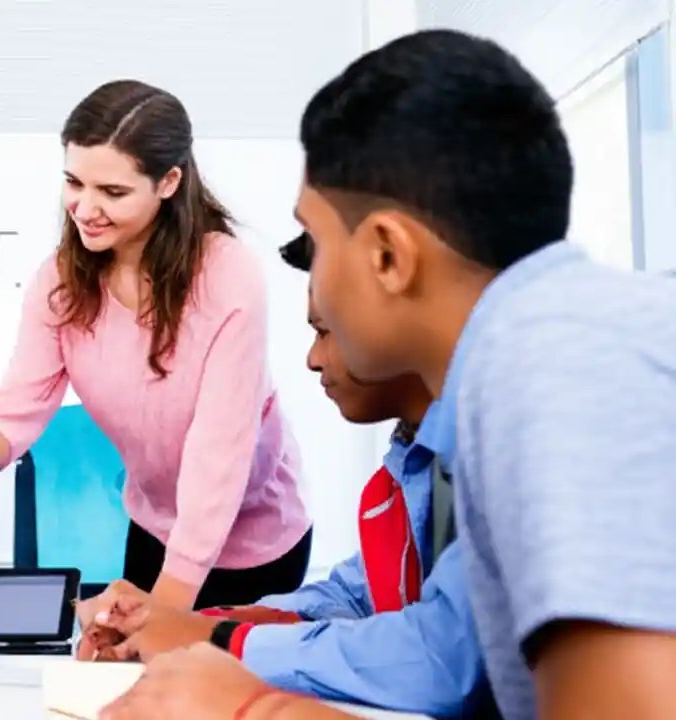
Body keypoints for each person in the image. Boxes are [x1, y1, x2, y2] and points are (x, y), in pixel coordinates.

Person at [106, 28, 676, 720]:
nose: (313, 290)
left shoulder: (557, 369)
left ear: (387, 256)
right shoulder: (528, 364)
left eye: (316, 243)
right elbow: (448, 635)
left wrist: (255, 710)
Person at [0, 79, 311, 610]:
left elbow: (219, 455)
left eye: (113, 193)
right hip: (156, 529)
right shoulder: (60, 282)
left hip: (255, 545)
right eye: (74, 182)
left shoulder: (228, 276)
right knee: (130, 672)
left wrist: (164, 609)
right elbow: (17, 409)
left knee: (205, 681)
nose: (85, 208)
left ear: (168, 182)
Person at [82, 232, 488, 717]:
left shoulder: (487, 456)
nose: (312, 359)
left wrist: (220, 643)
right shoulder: (417, 459)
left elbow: (440, 660)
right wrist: (189, 623)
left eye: (324, 330)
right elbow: (351, 595)